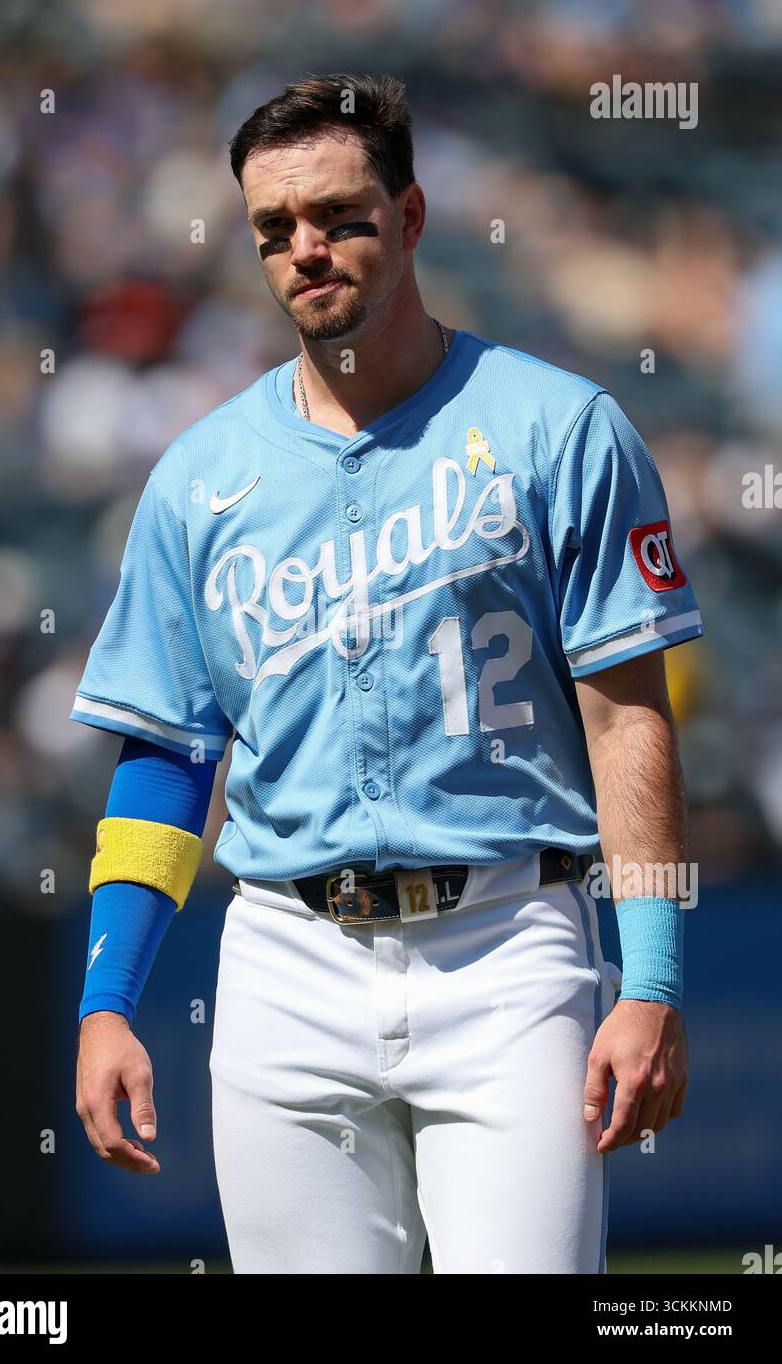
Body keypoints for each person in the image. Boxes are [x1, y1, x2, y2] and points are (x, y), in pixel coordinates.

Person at [73, 73, 703, 1274]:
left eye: (338, 216)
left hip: (509, 937)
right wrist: (109, 998)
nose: (304, 250)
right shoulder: (198, 480)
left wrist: (654, 976)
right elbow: (166, 757)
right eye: (273, 230)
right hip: (282, 959)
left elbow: (627, 723)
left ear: (410, 217)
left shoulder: (556, 429)